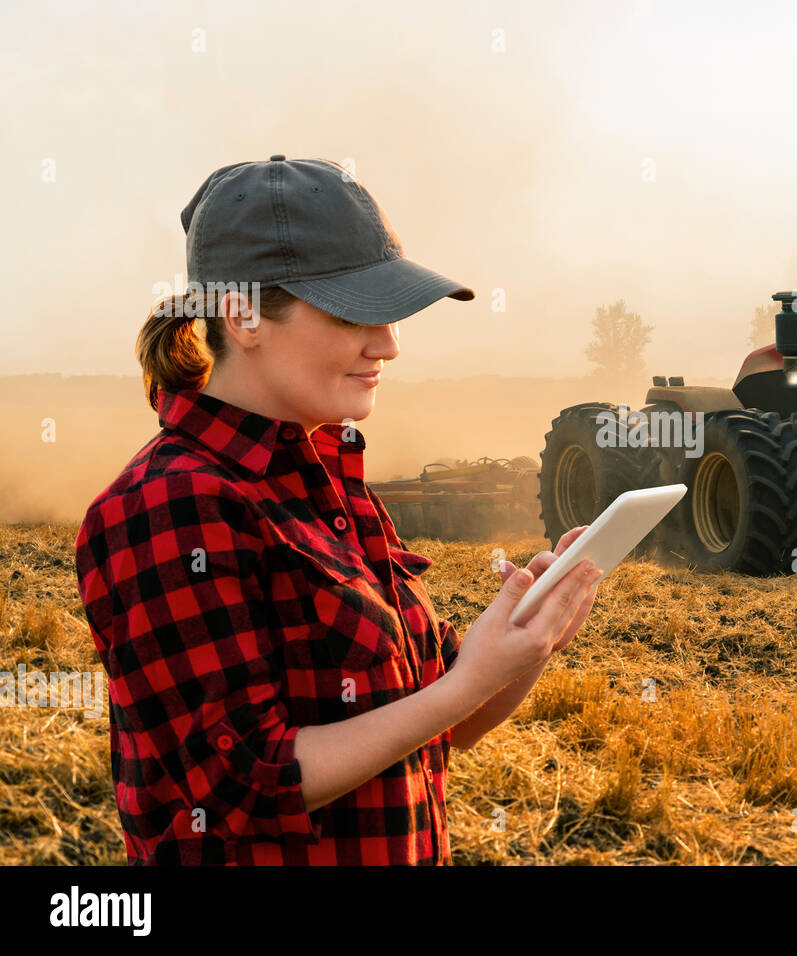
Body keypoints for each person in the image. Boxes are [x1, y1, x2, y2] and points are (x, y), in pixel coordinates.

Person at [74, 156, 602, 865]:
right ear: (244, 313)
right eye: (353, 311)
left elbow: (430, 731)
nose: (387, 344)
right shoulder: (167, 505)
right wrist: (468, 681)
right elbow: (241, 787)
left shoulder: (330, 481)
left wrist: (531, 640)